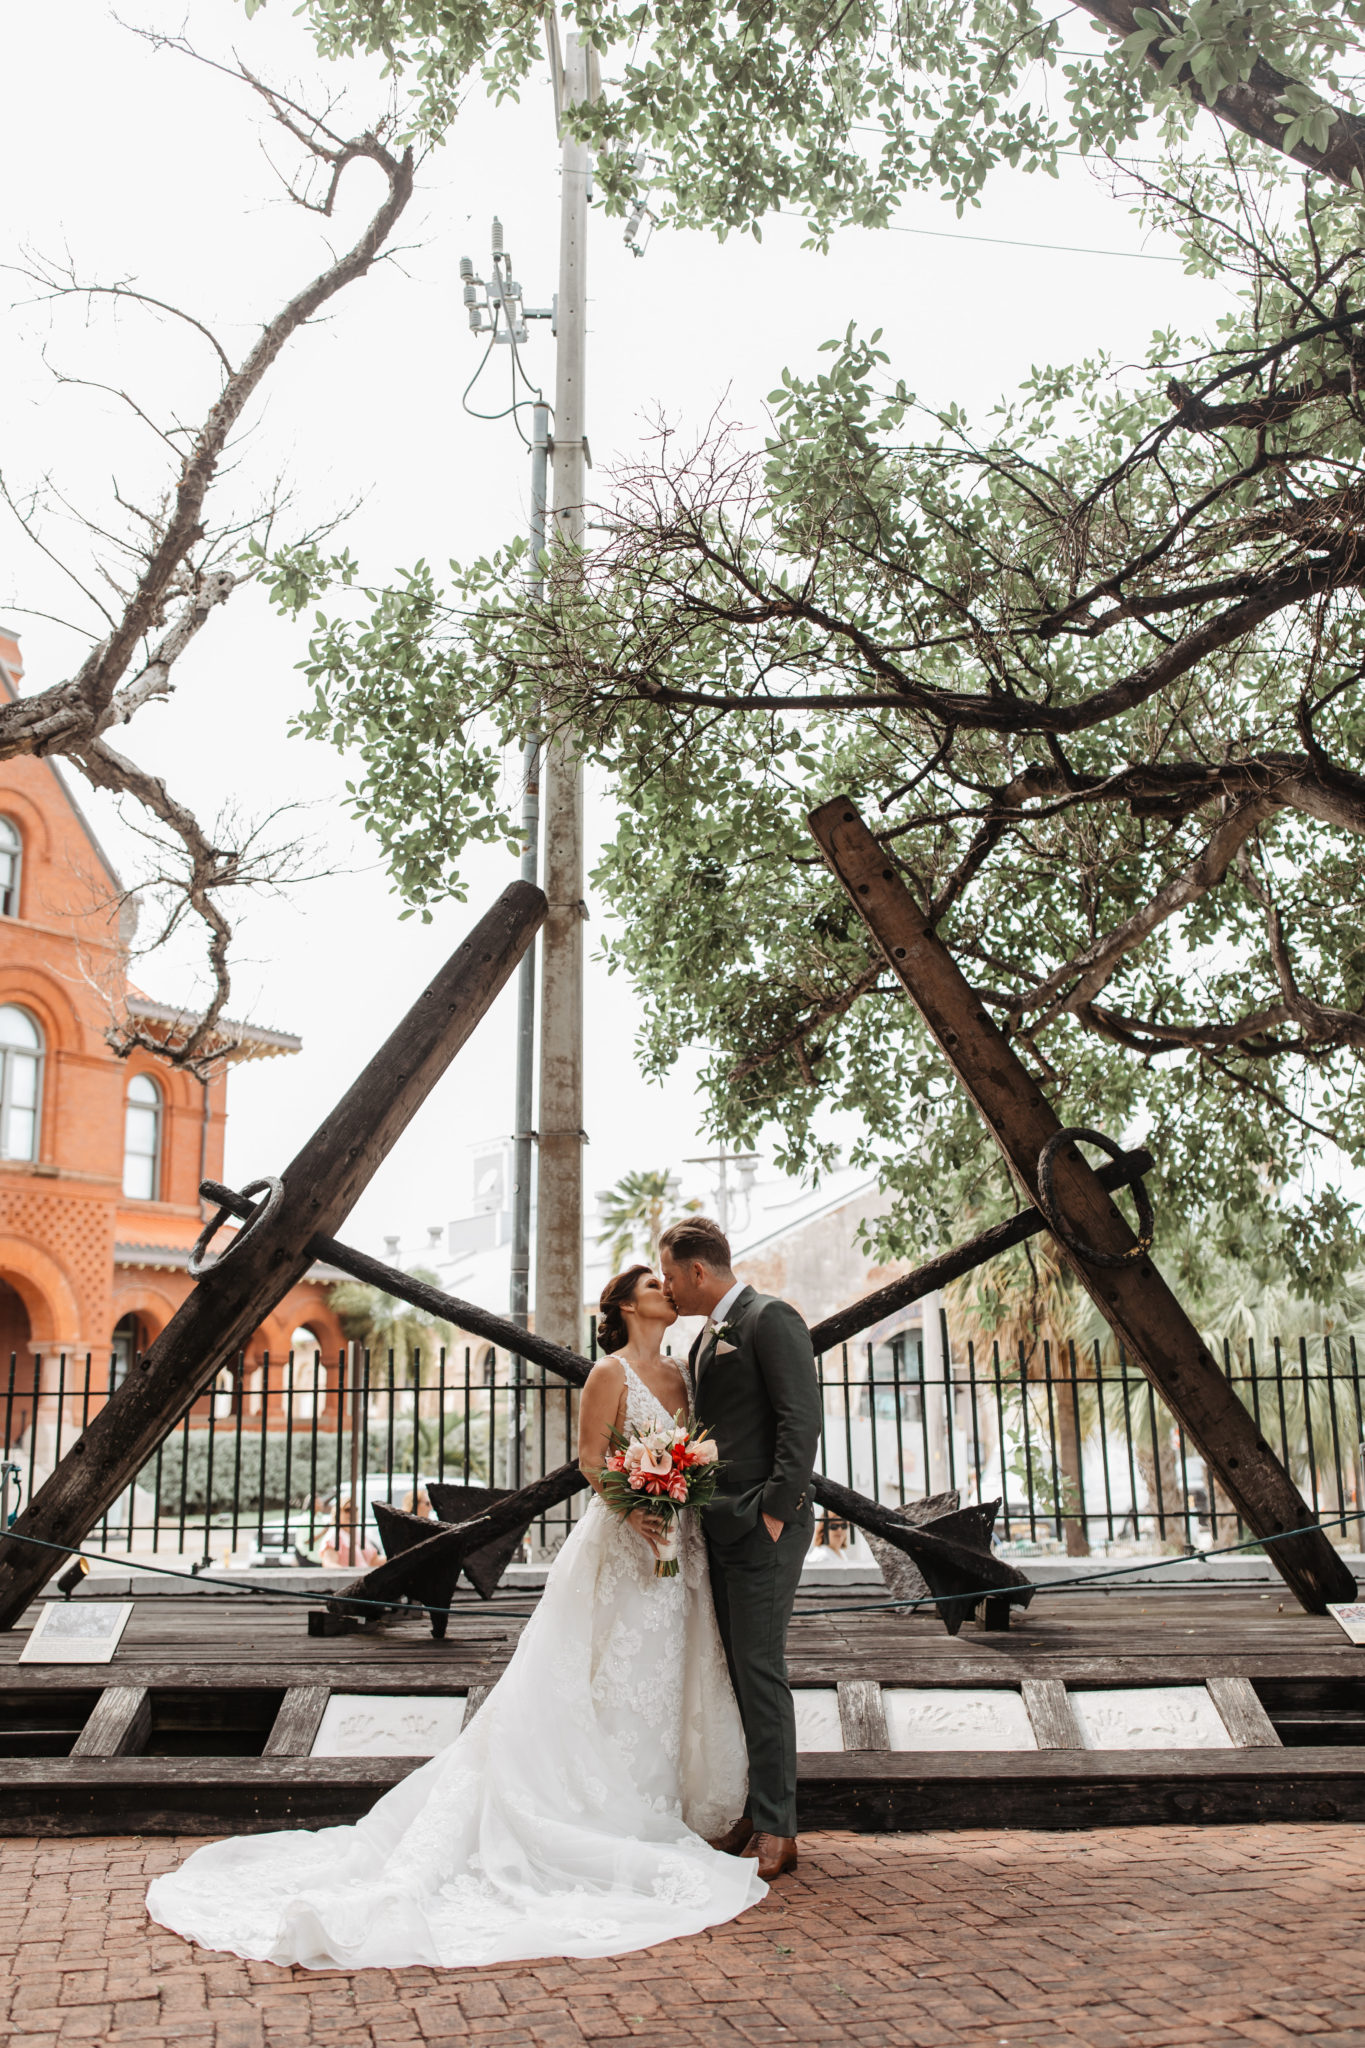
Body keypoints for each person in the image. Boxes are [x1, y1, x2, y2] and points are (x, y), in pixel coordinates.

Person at [144, 1264, 764, 1969]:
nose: (666, 1291)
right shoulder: (608, 1375)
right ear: (624, 1306)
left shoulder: (686, 1376)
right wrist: (638, 1509)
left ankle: (661, 1799)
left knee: (664, 1665)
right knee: (603, 1672)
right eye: (653, 1284)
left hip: (678, 1544)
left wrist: (674, 1499)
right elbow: (593, 1463)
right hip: (622, 1546)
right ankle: (599, 1806)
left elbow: (697, 1451)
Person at [658, 1217, 822, 1884]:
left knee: (759, 1669)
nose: (666, 1288)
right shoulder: (701, 1338)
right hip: (718, 1526)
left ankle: (779, 1829)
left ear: (699, 1271)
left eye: (670, 1275)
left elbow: (799, 1420)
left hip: (761, 1526)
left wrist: (774, 1515)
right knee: (734, 1670)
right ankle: (757, 1810)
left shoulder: (768, 1317)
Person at [318, 1497, 380, 1570]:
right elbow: (329, 1564)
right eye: (348, 1510)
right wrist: (348, 1575)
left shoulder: (358, 1534)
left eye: (355, 1509)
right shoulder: (334, 1536)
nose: (352, 1513)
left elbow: (373, 1561)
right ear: (337, 1514)